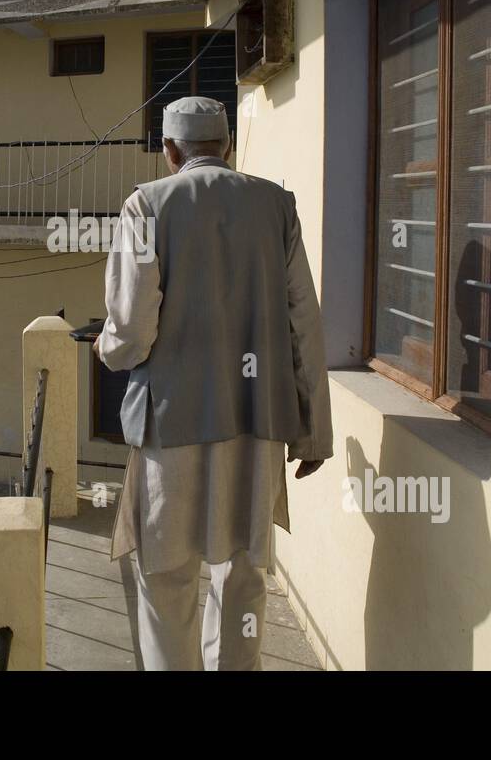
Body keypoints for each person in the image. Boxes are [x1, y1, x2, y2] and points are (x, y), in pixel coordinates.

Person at [95, 95, 333, 671]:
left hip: (172, 422)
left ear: (170, 150)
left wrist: (107, 349)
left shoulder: (146, 206)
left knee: (167, 577)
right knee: (243, 572)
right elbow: (304, 319)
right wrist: (314, 433)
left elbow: (130, 330)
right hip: (257, 423)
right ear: (228, 146)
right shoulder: (277, 206)